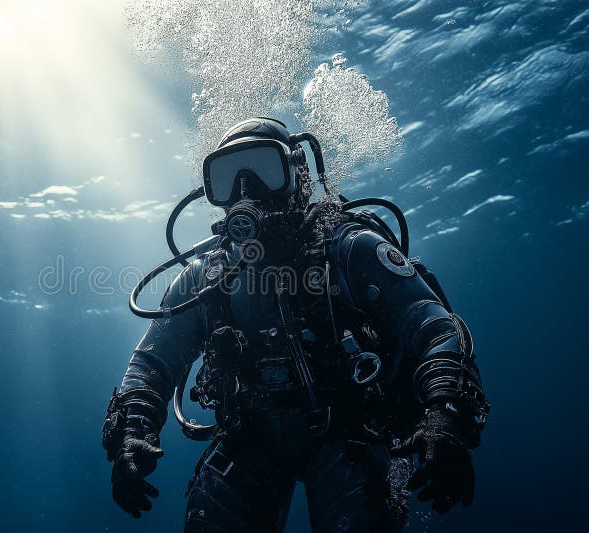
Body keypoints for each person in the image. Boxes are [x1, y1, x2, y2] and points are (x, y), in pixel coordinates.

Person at [102, 117, 489, 532]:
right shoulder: (207, 276)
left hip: (346, 432)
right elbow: (152, 362)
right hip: (248, 438)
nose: (245, 189)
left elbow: (434, 327)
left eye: (264, 170)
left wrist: (445, 413)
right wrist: (132, 429)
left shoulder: (349, 250)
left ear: (297, 176)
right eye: (228, 177)